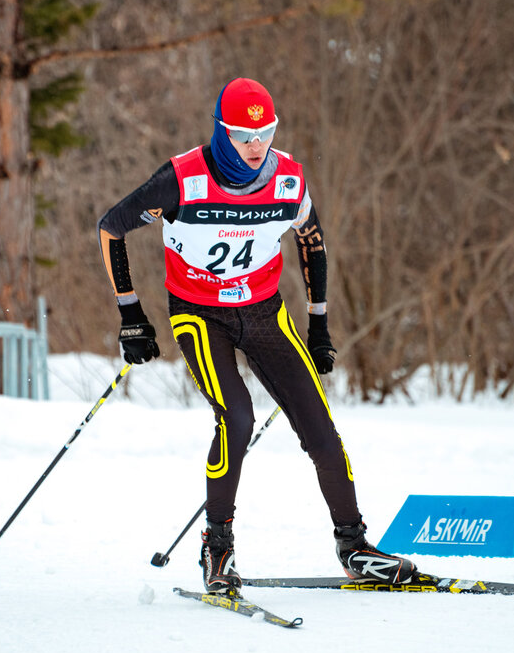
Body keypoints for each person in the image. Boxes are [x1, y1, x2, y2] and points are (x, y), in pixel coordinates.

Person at [96, 77, 419, 594]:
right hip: (200, 314)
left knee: (320, 427)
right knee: (238, 416)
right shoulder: (182, 179)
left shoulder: (287, 178)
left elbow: (312, 240)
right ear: (222, 130)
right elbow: (111, 227)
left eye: (265, 133)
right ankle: (217, 548)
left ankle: (354, 547)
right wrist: (131, 314)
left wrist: (318, 323)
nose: (256, 146)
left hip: (265, 311)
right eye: (244, 134)